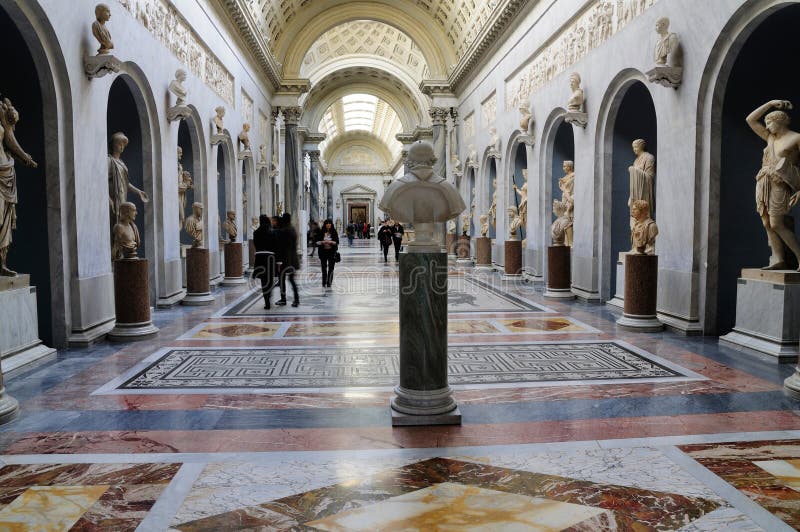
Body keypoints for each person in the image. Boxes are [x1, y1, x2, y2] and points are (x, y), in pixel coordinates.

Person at [252, 215, 277, 309]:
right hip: (270, 257)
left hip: (260, 257)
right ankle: (269, 295)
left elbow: (255, 244)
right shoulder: (272, 232)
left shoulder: (256, 232)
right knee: (270, 279)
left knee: (263, 280)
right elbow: (275, 245)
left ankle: (266, 301)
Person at [275, 213, 299, 307]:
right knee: (291, 279)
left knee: (283, 279)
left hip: (286, 259)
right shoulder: (291, 229)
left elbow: (281, 246)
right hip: (293, 258)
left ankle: (284, 299)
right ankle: (295, 299)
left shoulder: (285, 230)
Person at [315, 218, 339, 288]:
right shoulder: (321, 232)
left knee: (331, 268)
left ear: (331, 225)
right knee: (323, 267)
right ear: (325, 225)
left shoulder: (334, 232)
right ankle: (324, 281)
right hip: (323, 252)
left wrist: (331, 242)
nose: (328, 225)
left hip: (332, 252)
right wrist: (322, 242)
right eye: (327, 224)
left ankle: (329, 282)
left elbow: (337, 242)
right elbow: (317, 242)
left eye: (329, 224)